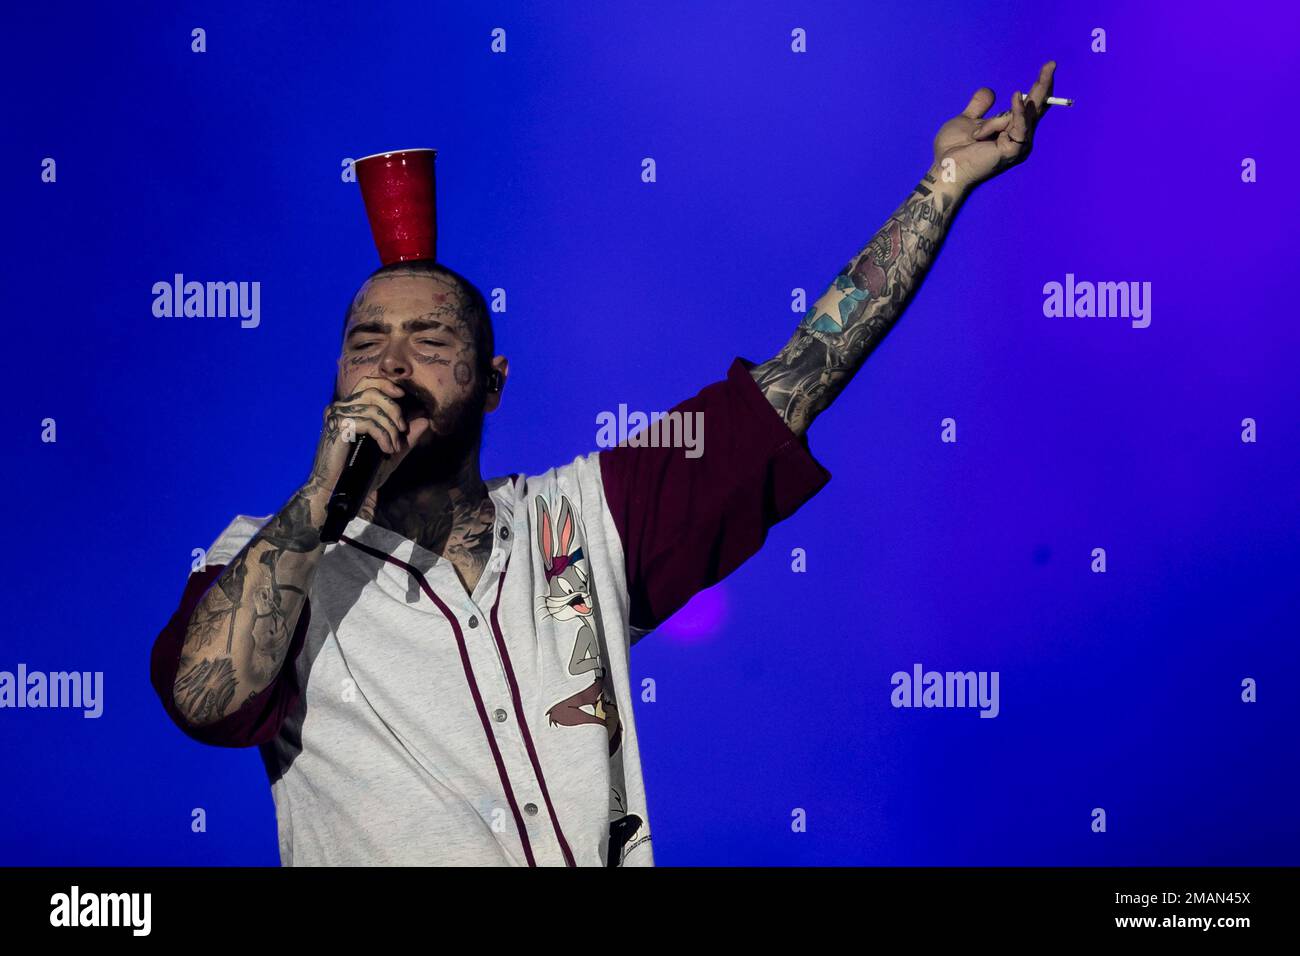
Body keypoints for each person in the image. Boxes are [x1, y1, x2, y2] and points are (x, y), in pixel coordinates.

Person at [150, 64, 1059, 866]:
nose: (392, 363)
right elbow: (204, 700)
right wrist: (320, 501)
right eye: (365, 343)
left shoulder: (589, 516)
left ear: (495, 381)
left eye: (430, 337)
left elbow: (794, 382)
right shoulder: (267, 555)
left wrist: (943, 184)